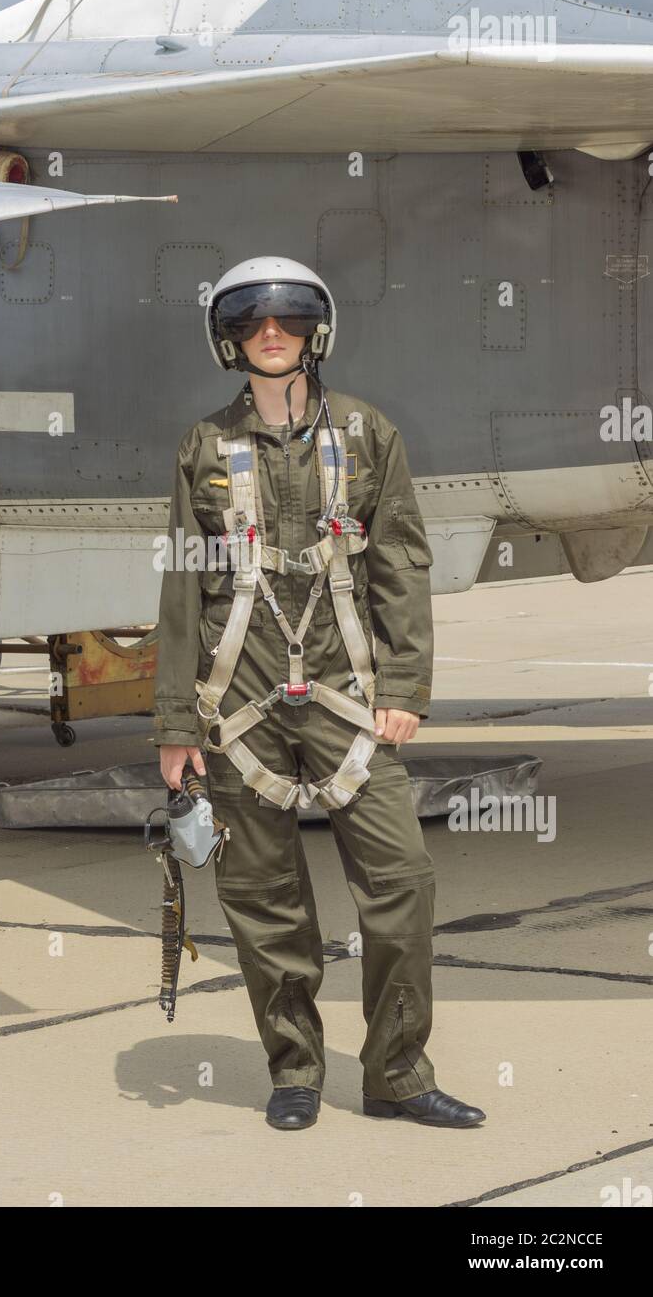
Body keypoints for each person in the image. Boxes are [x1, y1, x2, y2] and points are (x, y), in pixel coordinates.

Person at [153, 256, 485, 1131]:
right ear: (229, 338)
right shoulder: (201, 447)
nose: (272, 336)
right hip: (238, 702)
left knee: (403, 886)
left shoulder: (369, 436)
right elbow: (181, 590)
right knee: (264, 904)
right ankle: (294, 1071)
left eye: (289, 322)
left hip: (347, 696)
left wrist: (406, 683)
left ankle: (397, 1077)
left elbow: (400, 565)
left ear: (314, 333)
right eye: (254, 323)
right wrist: (174, 721)